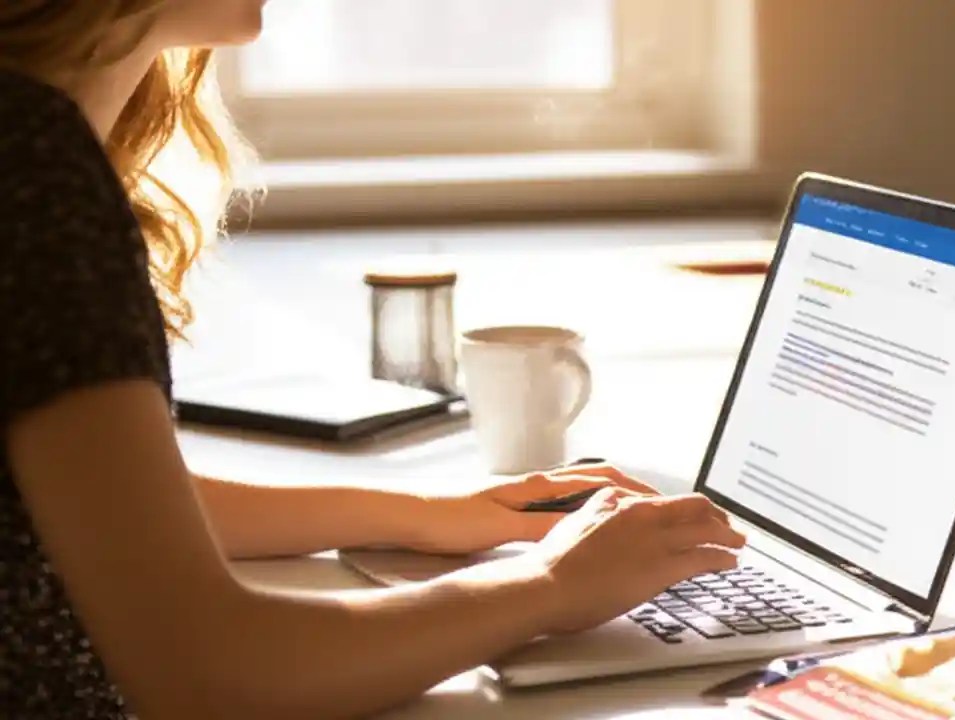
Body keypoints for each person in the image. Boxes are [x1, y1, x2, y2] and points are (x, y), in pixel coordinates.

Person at [0, 2, 746, 718]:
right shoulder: (33, 167)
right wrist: (549, 586)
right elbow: (212, 674)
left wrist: (423, 515)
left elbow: (110, 508)